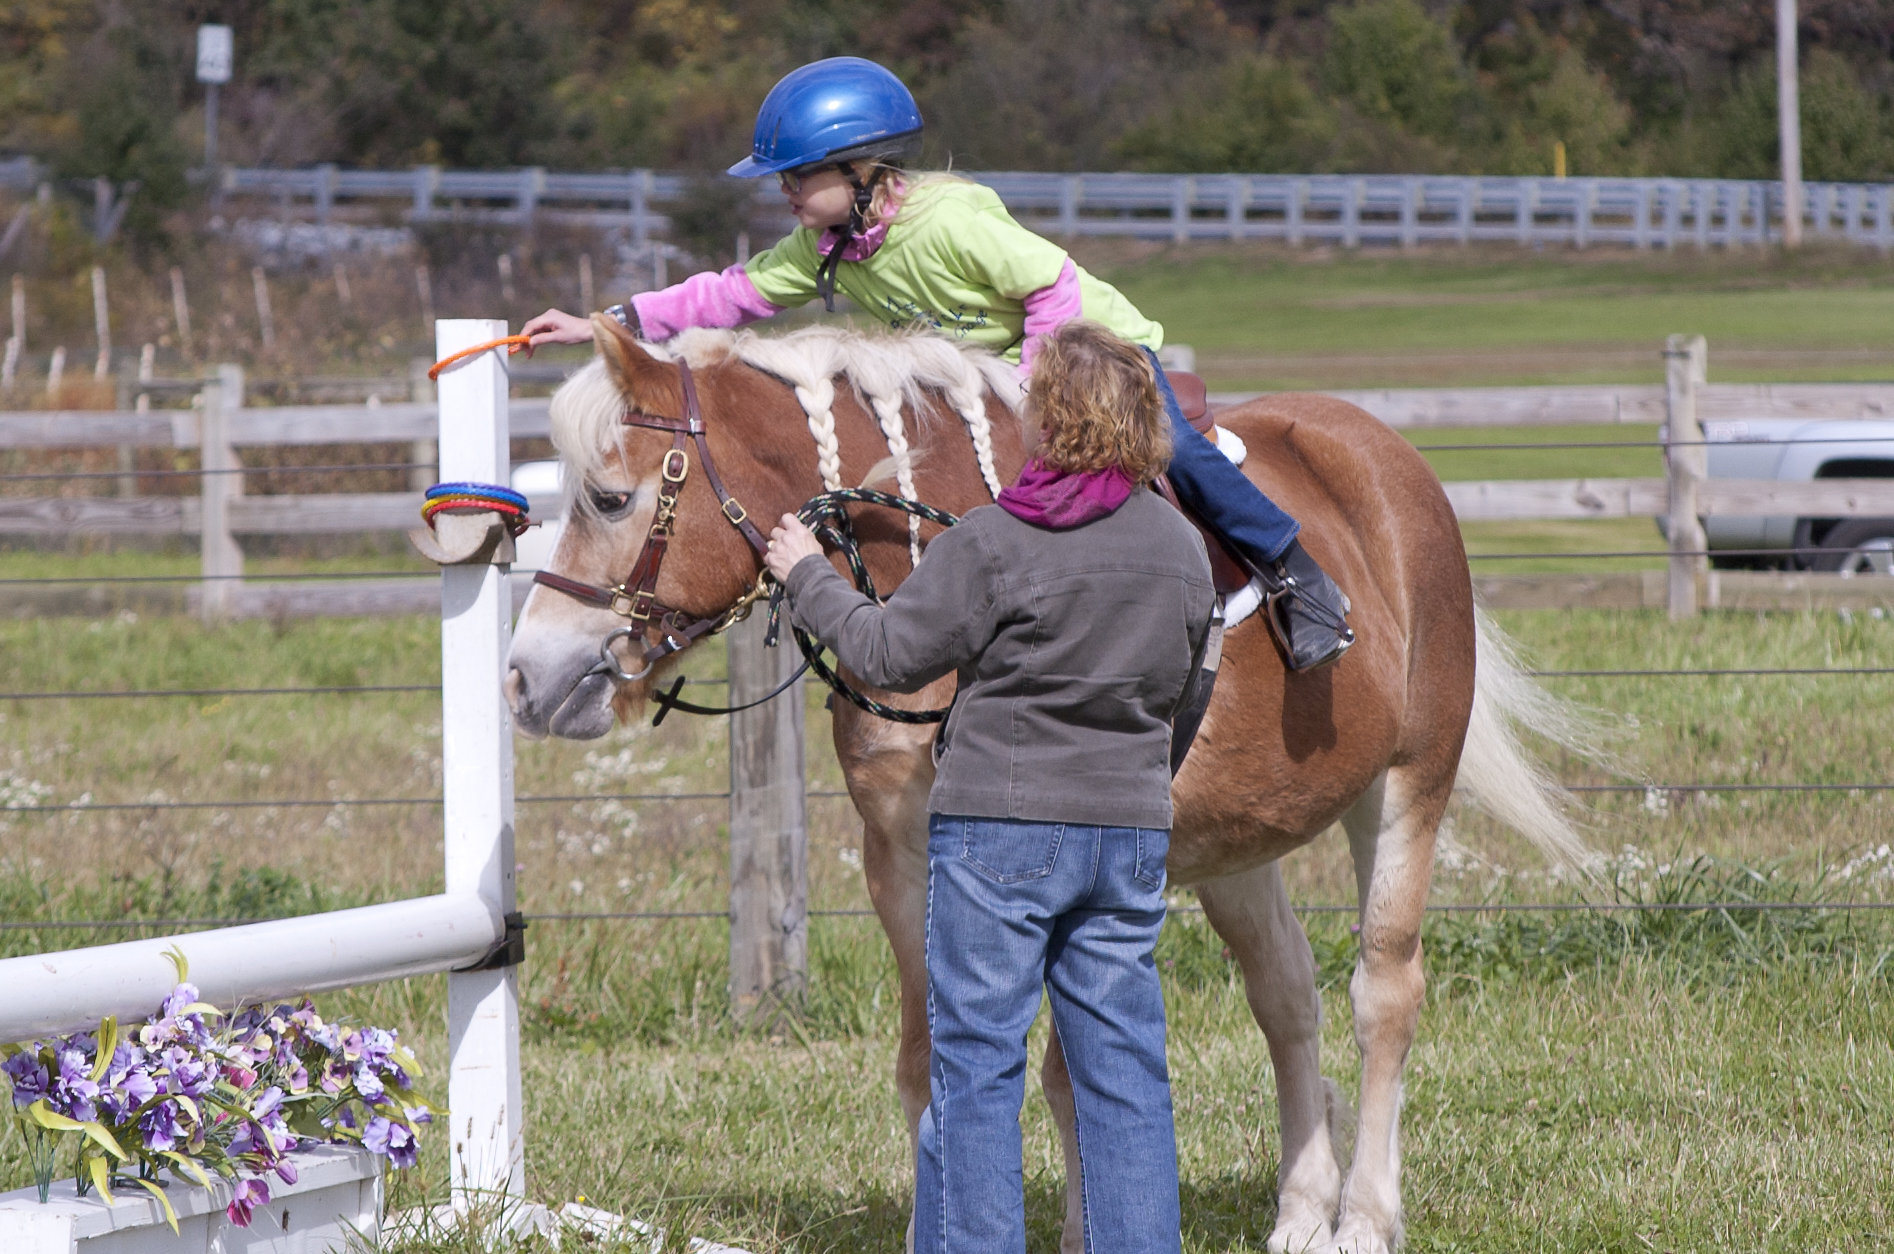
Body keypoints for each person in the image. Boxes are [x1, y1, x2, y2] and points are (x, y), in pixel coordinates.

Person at [524, 55, 1352, 671]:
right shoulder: (826, 246)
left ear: (858, 171)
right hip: (997, 383)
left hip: (1096, 357)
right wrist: (615, 319)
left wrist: (1039, 389)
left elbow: (1053, 288)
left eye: (796, 176)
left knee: (1173, 445)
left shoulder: (952, 220)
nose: (782, 192)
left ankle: (1296, 574)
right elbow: (731, 295)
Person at [763, 321, 1210, 1254]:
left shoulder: (997, 539)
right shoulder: (1179, 543)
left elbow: (887, 652)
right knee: (1124, 1077)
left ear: (1051, 420)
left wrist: (807, 576)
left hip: (1000, 831)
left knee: (976, 1072)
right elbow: (1191, 687)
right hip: (1127, 831)